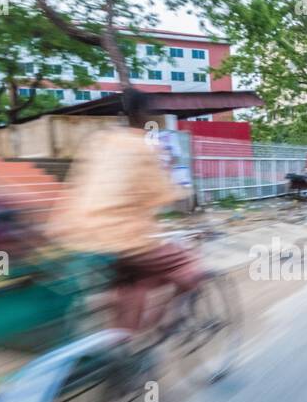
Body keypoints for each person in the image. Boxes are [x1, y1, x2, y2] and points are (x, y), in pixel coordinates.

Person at [46, 117, 202, 333]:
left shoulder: (99, 142)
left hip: (80, 235)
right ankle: (165, 322)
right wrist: (176, 190)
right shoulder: (144, 147)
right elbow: (160, 194)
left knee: (134, 280)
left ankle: (127, 340)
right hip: (124, 237)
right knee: (189, 267)